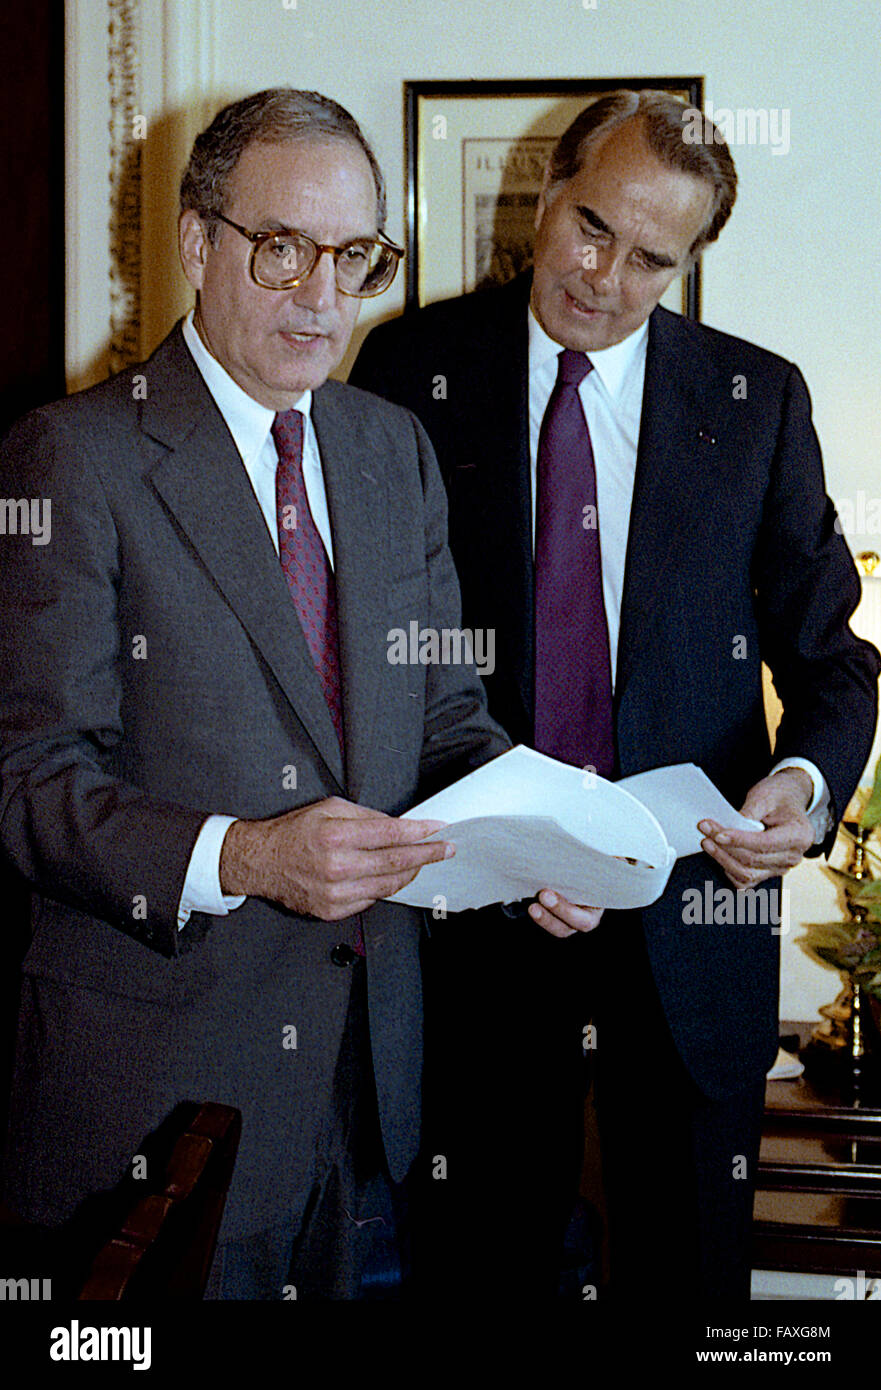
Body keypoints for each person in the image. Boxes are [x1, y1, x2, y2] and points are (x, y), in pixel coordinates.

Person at [351, 89, 881, 1300]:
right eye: (589, 226)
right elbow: (375, 650)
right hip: (478, 939)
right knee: (476, 1279)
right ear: (545, 190)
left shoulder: (755, 402)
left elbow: (830, 658)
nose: (604, 276)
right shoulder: (410, 370)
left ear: (687, 261)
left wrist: (795, 791)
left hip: (691, 929)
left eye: (651, 258)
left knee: (691, 1288)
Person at [0, 87, 522, 1301]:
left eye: (355, 258)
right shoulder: (69, 457)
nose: (322, 296)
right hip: (149, 1117)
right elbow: (27, 782)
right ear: (197, 242)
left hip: (365, 1101)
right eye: (282, 247)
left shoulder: (390, 449)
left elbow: (447, 719)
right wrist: (241, 856)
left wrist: (536, 842)